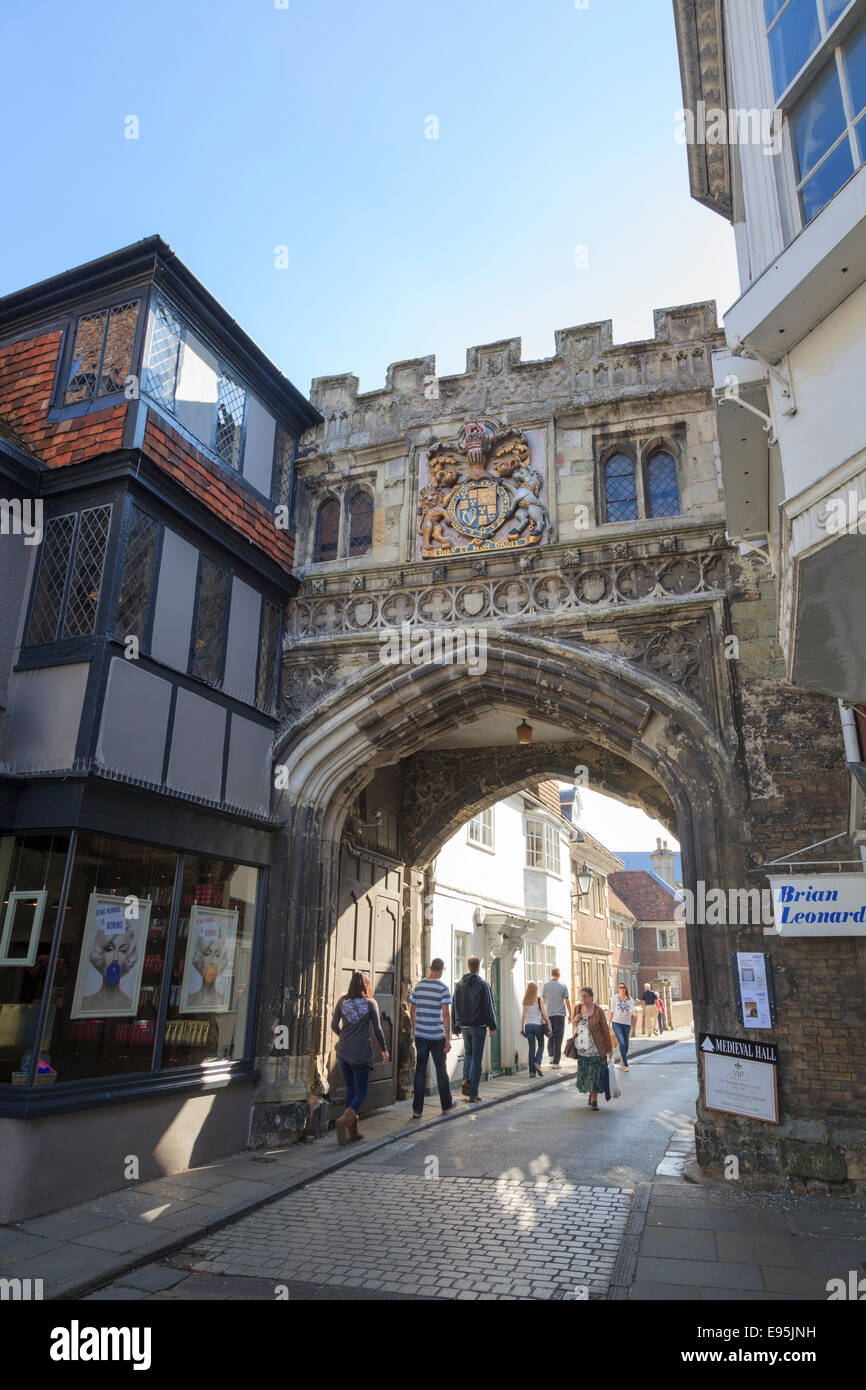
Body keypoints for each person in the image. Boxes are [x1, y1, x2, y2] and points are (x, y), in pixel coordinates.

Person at [331, 970, 388, 1144]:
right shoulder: (370, 1003)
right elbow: (377, 1029)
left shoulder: (342, 1001)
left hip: (342, 1052)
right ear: (366, 985)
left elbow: (334, 1025)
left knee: (351, 1089)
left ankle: (353, 1133)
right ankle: (344, 1120)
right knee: (362, 1092)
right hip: (360, 1053)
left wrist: (344, 1037)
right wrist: (384, 1049)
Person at [410, 958, 458, 1118]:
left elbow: (412, 1009)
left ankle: (417, 1110)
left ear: (430, 967)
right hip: (437, 1036)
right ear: (442, 970)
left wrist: (415, 1027)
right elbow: (445, 1014)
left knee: (420, 1070)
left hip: (421, 1035)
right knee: (440, 1070)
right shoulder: (443, 989)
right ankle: (446, 1105)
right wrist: (448, 1038)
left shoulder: (419, 986)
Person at [452, 955, 497, 1103]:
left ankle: (466, 1079)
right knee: (477, 1059)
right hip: (478, 1026)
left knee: (468, 1054)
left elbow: (455, 1005)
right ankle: (473, 1092)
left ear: (468, 967)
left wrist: (455, 1026)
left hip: (464, 1025)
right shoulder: (482, 984)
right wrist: (492, 1025)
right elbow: (488, 1006)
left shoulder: (459, 985)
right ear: (478, 968)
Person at [572, 985, 613, 1109]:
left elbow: (605, 1030)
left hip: (596, 1048)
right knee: (586, 1074)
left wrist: (609, 1048)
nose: (583, 998)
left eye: (585, 996)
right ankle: (591, 1093)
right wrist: (575, 1019)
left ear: (591, 997)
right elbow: (574, 1024)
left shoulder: (598, 1011)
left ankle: (594, 1100)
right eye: (581, 996)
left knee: (595, 1074)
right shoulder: (578, 1008)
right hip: (582, 1049)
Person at [542, 967, 572, 1068]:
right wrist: (570, 1014)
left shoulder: (546, 986)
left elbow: (543, 1000)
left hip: (549, 1015)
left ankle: (551, 1056)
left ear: (551, 974)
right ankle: (556, 1062)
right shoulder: (563, 986)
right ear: (559, 975)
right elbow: (567, 1000)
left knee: (551, 1036)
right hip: (559, 1015)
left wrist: (542, 1013)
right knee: (558, 1038)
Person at [521, 982, 551, 1077]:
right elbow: (544, 1013)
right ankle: (537, 1062)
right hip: (537, 1026)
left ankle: (532, 1072)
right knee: (541, 1045)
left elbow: (523, 1016)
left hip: (528, 1026)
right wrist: (549, 1023)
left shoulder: (525, 1000)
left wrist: (522, 1028)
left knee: (531, 1048)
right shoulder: (538, 1000)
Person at [608, 982, 638, 1070]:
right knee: (621, 1042)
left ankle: (622, 1057)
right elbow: (612, 1010)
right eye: (620, 988)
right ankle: (626, 1064)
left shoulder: (630, 999)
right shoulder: (614, 998)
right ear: (618, 989)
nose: (622, 989)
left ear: (626, 989)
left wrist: (634, 1014)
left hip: (626, 1024)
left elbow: (632, 1009)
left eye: (623, 987)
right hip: (616, 1023)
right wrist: (609, 1022)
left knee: (626, 1045)